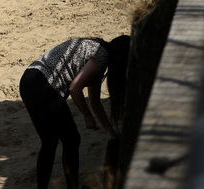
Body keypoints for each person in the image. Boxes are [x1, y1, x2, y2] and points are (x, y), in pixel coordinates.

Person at [19, 35, 130, 189]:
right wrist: (87, 116)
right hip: (44, 86)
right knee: (72, 140)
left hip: (28, 79)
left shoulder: (95, 48)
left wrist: (111, 132)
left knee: (49, 141)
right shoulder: (102, 56)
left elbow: (95, 101)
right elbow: (75, 88)